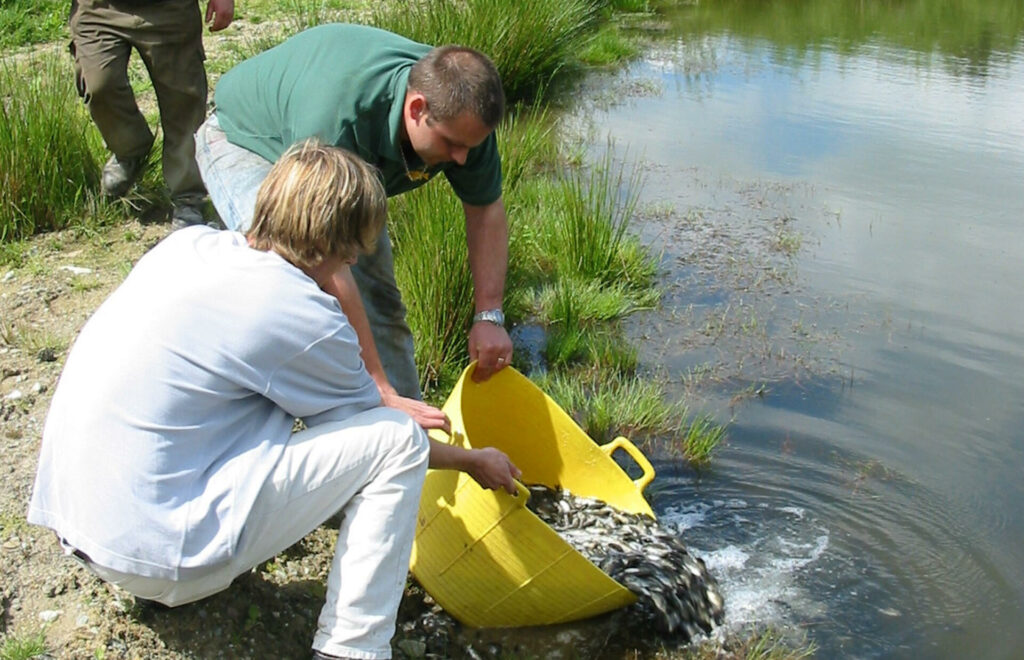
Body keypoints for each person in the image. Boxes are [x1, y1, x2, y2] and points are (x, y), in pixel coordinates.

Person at [27, 140, 520, 660]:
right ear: (344, 243)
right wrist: (471, 461)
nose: (356, 255)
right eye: (355, 244)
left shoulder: (187, 246)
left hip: (77, 527)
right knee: (398, 441)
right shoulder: (301, 315)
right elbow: (379, 434)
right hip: (153, 557)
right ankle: (353, 650)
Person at [195, 23, 513, 432]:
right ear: (416, 109)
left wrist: (489, 316)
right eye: (452, 145)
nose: (462, 158)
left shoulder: (465, 118)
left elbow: (485, 211)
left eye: (469, 146)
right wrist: (376, 385)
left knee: (378, 296)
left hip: (341, 164)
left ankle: (410, 432)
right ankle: (312, 424)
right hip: (249, 141)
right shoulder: (340, 117)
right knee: (292, 288)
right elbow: (325, 256)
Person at [69, 0, 234, 228]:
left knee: (183, 104)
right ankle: (130, 149)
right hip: (99, 8)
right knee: (99, 84)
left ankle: (187, 198)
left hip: (169, 10)